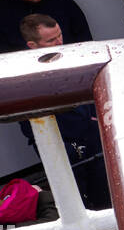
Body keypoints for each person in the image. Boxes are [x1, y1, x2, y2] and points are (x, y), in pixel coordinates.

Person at [19, 15, 111, 212]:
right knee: (77, 201)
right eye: (51, 40)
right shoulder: (25, 78)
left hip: (92, 135)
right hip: (61, 144)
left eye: (60, 36)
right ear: (32, 45)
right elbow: (27, 124)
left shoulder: (74, 58)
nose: (60, 42)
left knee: (107, 190)